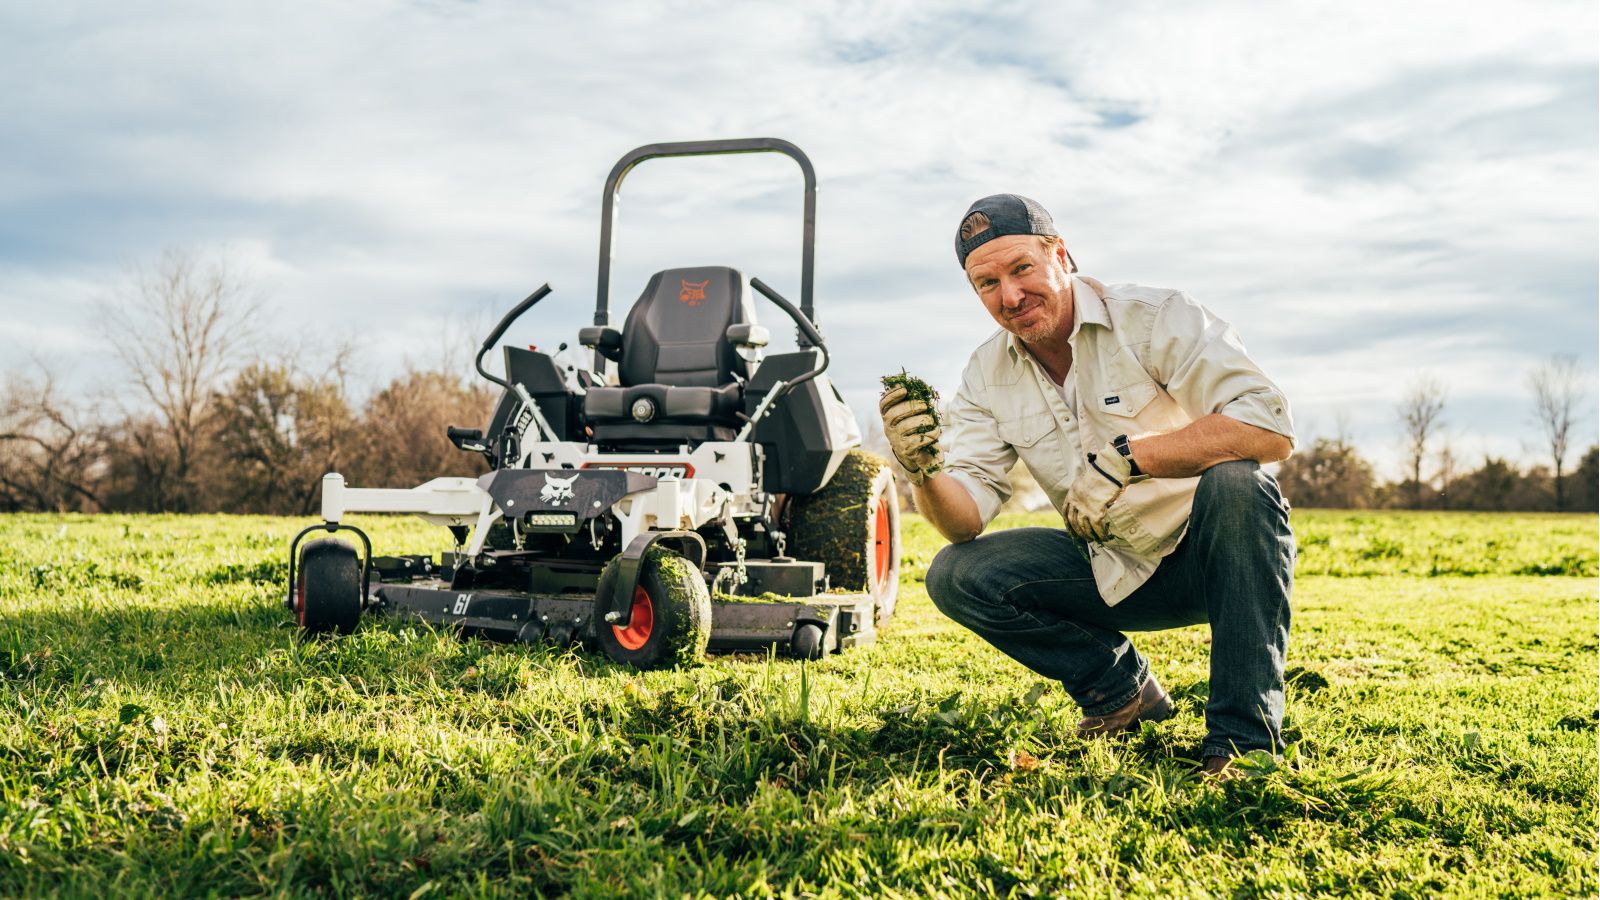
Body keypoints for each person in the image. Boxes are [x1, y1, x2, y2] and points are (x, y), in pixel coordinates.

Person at [881, 194, 1296, 776]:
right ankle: (1119, 688)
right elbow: (965, 517)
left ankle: (1241, 742)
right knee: (957, 571)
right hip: (1114, 570)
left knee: (1237, 483)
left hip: (1219, 560)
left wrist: (1128, 458)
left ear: (1061, 254)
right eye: (987, 283)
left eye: (1022, 268)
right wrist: (920, 471)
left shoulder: (1155, 317)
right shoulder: (984, 374)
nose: (1010, 296)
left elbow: (1267, 428)